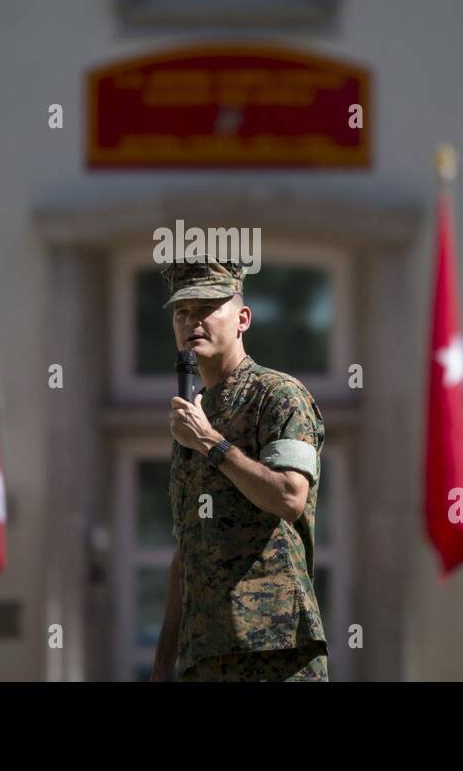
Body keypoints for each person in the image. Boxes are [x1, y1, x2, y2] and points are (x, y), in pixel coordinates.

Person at [150, 259, 328, 682]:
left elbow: (289, 496)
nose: (192, 320)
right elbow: (186, 548)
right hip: (205, 656)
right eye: (182, 311)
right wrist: (162, 662)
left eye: (206, 307)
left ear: (243, 318)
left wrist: (211, 442)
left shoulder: (278, 395)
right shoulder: (195, 416)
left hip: (274, 651)